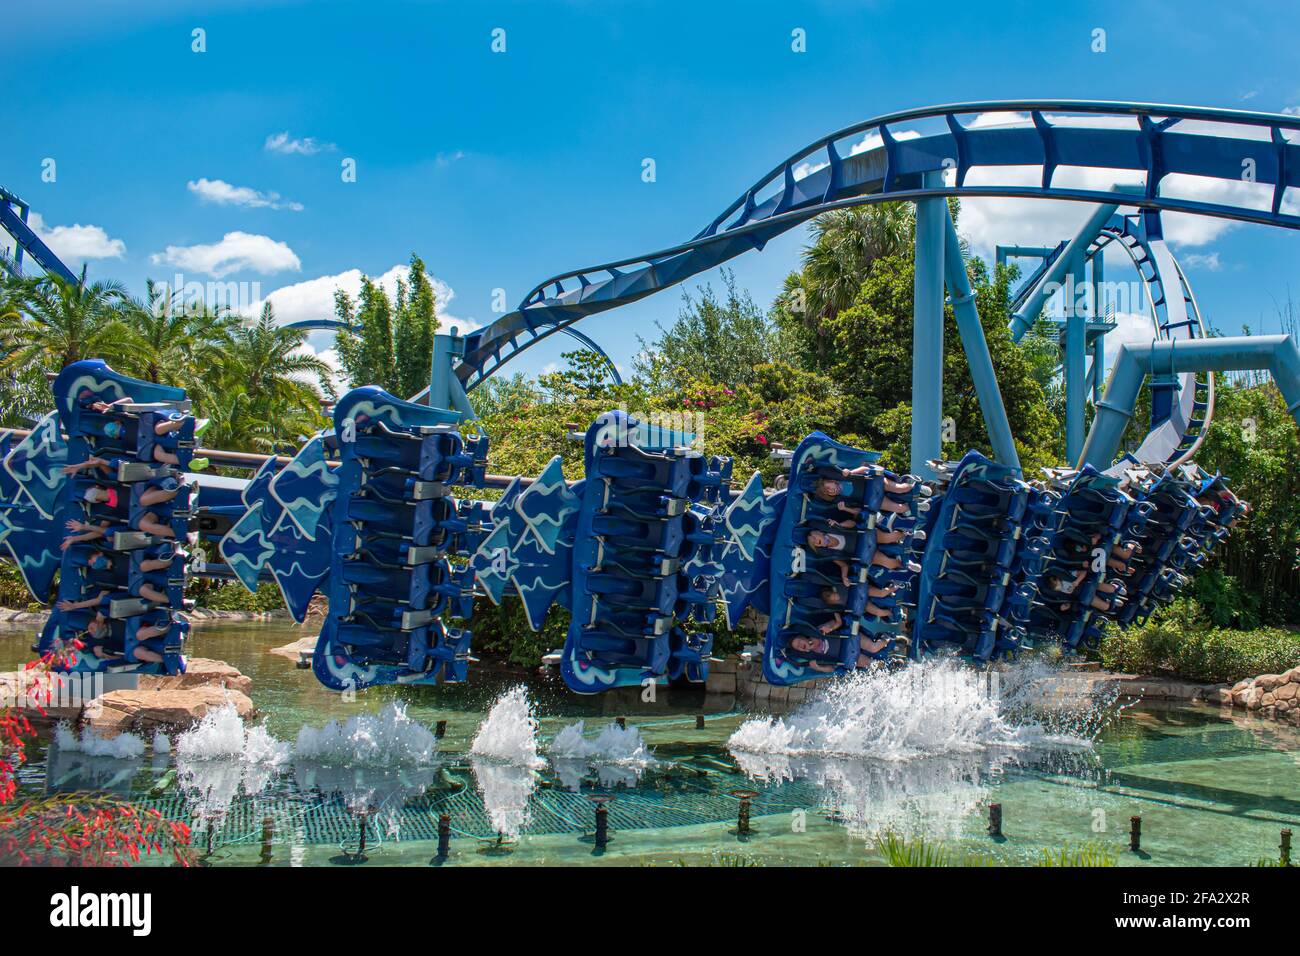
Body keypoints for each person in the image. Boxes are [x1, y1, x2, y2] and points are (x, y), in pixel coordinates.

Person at [789, 633, 892, 672]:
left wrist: (830, 627)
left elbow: (837, 622)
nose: (799, 645)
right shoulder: (813, 656)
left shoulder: (816, 631)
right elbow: (831, 669)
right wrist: (817, 667)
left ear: (803, 637)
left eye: (798, 642)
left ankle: (887, 638)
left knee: (873, 648)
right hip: (848, 655)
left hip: (849, 640)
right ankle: (892, 665)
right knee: (872, 665)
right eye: (798, 647)